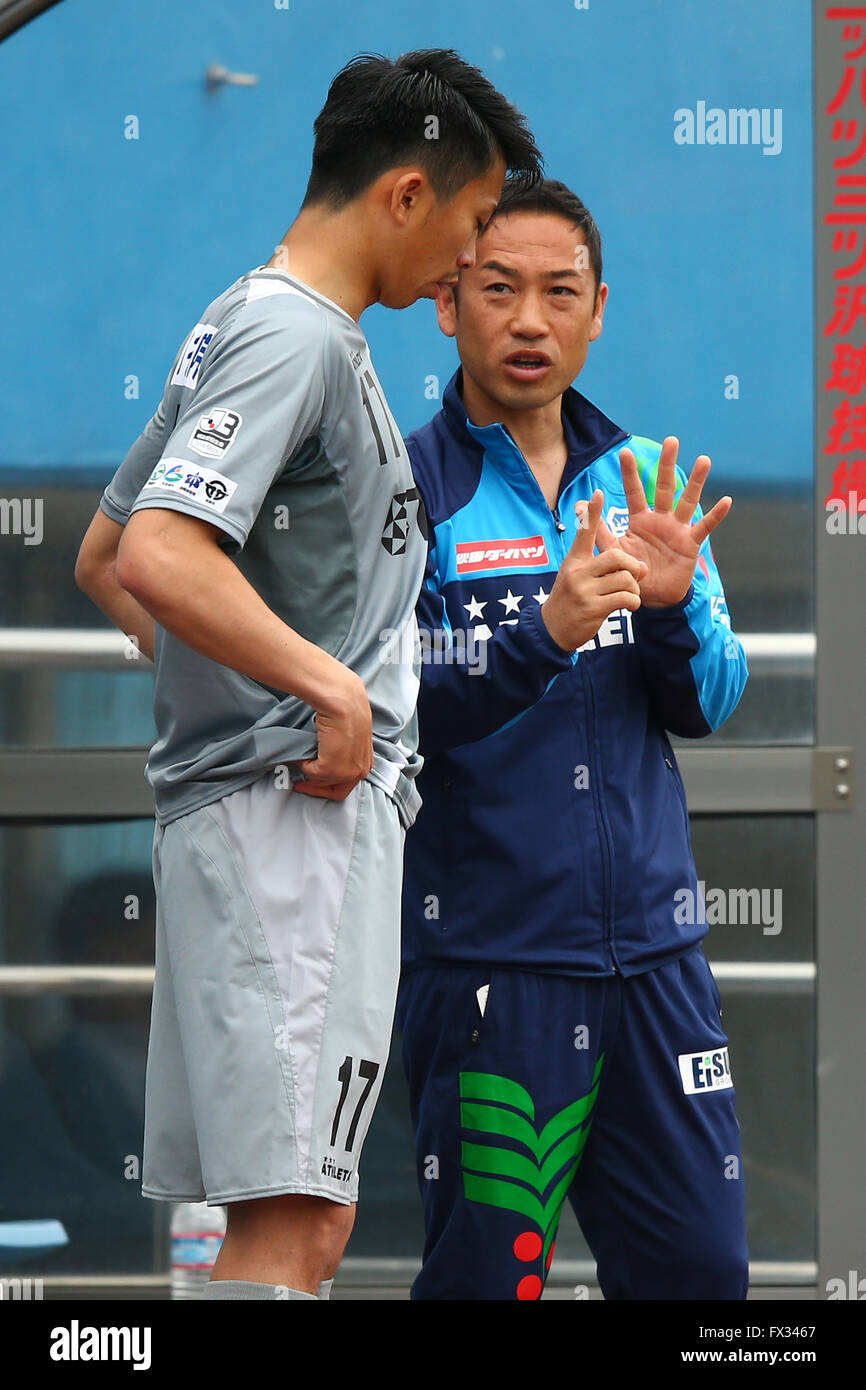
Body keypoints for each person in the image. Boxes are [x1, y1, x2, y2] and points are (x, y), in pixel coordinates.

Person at [74, 49, 542, 1302]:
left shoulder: (255, 317)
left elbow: (108, 554)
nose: (469, 262)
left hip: (274, 827)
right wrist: (318, 698)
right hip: (289, 835)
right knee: (291, 1238)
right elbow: (161, 554)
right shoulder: (293, 335)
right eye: (472, 222)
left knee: (290, 1229)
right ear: (402, 196)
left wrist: (244, 697)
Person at [396, 178, 750, 1301]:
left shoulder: (645, 476)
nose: (530, 320)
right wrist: (542, 634)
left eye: (560, 293)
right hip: (495, 967)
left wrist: (665, 604)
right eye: (497, 289)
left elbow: (713, 696)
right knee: (484, 1287)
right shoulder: (403, 485)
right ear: (446, 303)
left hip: (656, 964)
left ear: (600, 311)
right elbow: (388, 709)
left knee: (702, 1281)